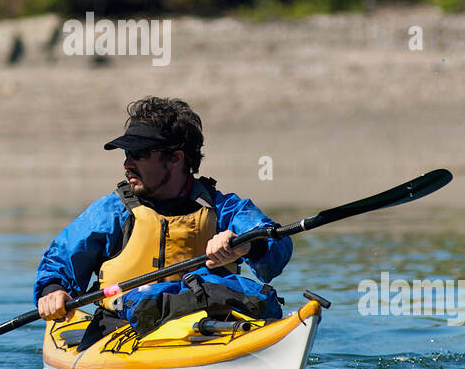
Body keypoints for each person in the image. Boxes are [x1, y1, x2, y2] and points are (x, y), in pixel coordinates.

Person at [35, 97, 292, 336]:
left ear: (175, 158)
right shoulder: (111, 213)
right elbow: (59, 261)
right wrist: (53, 291)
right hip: (123, 330)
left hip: (213, 326)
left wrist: (247, 244)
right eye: (127, 154)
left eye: (139, 154)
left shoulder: (223, 209)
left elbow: (276, 243)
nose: (127, 164)